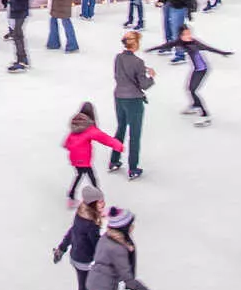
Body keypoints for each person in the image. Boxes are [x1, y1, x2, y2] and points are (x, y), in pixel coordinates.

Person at [145, 25, 232, 127]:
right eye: (186, 34)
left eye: (189, 33)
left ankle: (205, 115)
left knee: (193, 90)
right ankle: (195, 105)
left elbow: (208, 48)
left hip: (202, 69)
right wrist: (151, 49)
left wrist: (223, 52)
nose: (189, 36)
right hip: (196, 69)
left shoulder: (195, 43)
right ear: (181, 36)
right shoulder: (179, 42)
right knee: (189, 89)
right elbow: (165, 45)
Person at [86, 207, 152, 290]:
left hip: (97, 277)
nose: (133, 227)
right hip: (104, 283)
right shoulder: (117, 248)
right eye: (130, 225)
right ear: (123, 228)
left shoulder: (107, 237)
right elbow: (125, 273)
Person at [53, 185, 105, 290]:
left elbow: (72, 233)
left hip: (77, 256)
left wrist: (62, 248)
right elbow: (97, 245)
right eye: (100, 201)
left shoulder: (81, 215)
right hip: (85, 260)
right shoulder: (91, 224)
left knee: (88, 287)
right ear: (93, 203)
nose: (103, 204)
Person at [111, 31, 153, 181]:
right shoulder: (138, 62)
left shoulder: (118, 58)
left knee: (120, 128)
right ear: (136, 44)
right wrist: (151, 76)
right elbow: (144, 84)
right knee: (134, 134)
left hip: (119, 96)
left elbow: (120, 73)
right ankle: (133, 168)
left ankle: (114, 160)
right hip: (133, 100)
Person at [64, 101, 123, 202]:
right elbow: (104, 138)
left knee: (81, 175)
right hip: (83, 159)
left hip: (74, 157)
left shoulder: (76, 124)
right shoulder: (89, 129)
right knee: (90, 176)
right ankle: (97, 195)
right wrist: (118, 145)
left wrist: (70, 147)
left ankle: (73, 194)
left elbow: (68, 141)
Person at [3, 0, 34, 72]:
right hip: (15, 8)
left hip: (20, 9)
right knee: (17, 35)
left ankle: (22, 60)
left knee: (17, 35)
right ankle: (22, 59)